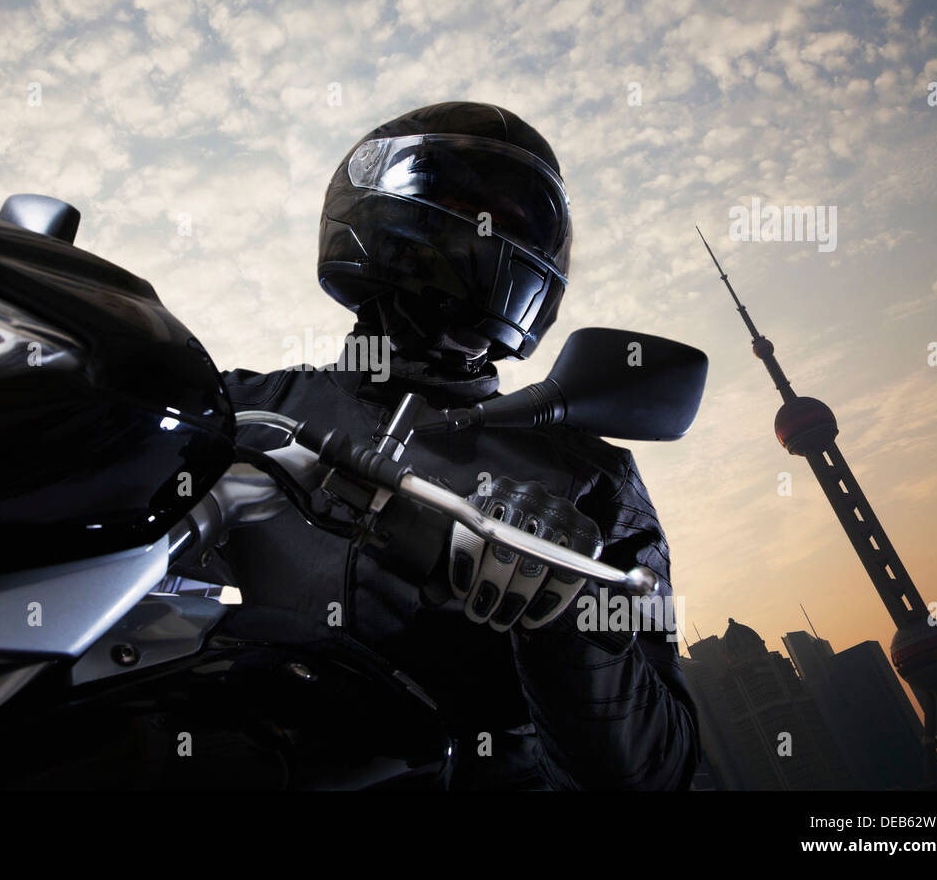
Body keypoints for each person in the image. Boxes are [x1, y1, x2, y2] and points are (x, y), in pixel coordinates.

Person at [208, 102, 699, 789]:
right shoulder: (241, 408)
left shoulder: (588, 475)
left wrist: (564, 613)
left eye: (515, 221)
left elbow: (654, 772)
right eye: (457, 201)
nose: (482, 231)